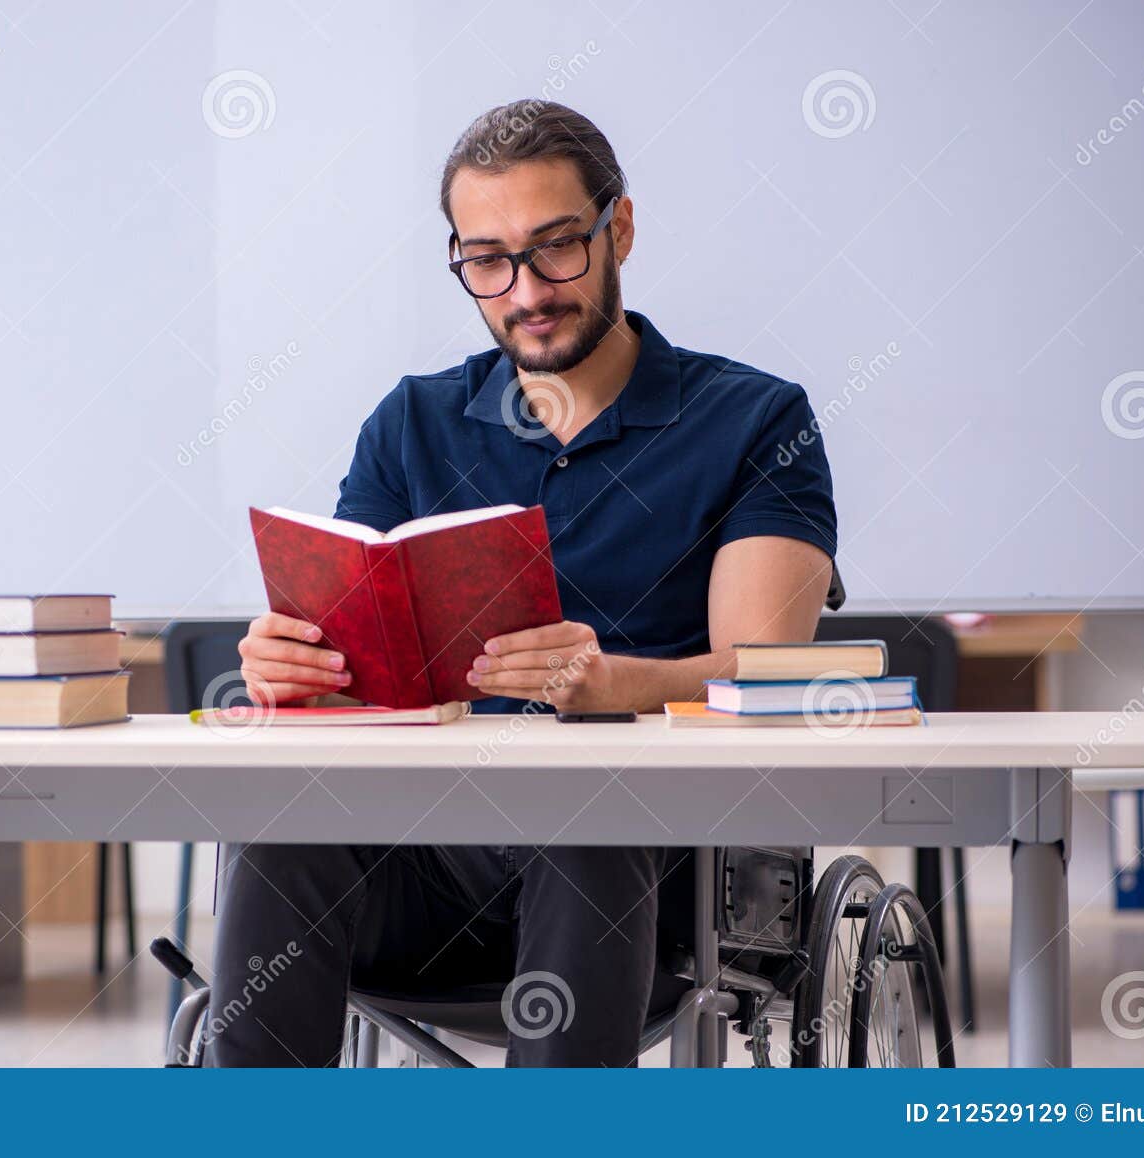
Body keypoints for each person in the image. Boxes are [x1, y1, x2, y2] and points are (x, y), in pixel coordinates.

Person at [208, 100, 836, 1067]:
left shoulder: (751, 420)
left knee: (587, 804)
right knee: (280, 820)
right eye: (487, 261)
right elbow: (357, 653)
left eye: (555, 250)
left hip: (660, 881)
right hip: (430, 877)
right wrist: (295, 664)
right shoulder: (413, 424)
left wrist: (616, 686)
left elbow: (773, 677)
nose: (526, 292)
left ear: (617, 228)